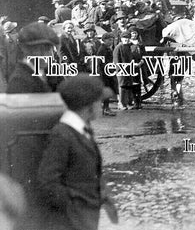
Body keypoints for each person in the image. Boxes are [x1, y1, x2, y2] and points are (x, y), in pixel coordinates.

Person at [37, 74, 118, 230]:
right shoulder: (62, 135)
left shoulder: (81, 129)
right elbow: (47, 182)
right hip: (71, 223)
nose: (100, 105)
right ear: (87, 106)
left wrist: (104, 199)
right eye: (98, 101)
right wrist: (76, 207)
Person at [7, 22, 59, 93]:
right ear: (26, 49)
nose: (45, 54)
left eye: (47, 49)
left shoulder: (47, 73)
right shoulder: (20, 81)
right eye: (38, 49)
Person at [96, 32, 117, 116]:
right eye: (109, 40)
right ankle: (106, 109)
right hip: (104, 73)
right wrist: (109, 68)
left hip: (107, 72)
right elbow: (100, 62)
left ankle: (106, 108)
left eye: (112, 40)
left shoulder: (107, 48)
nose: (111, 42)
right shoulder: (103, 49)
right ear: (104, 40)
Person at [113, 31, 133, 110]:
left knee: (128, 86)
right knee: (122, 86)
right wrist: (119, 70)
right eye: (125, 38)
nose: (126, 40)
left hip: (128, 69)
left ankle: (128, 103)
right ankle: (121, 103)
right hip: (121, 70)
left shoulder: (128, 47)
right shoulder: (118, 47)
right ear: (121, 39)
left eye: (128, 38)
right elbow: (116, 60)